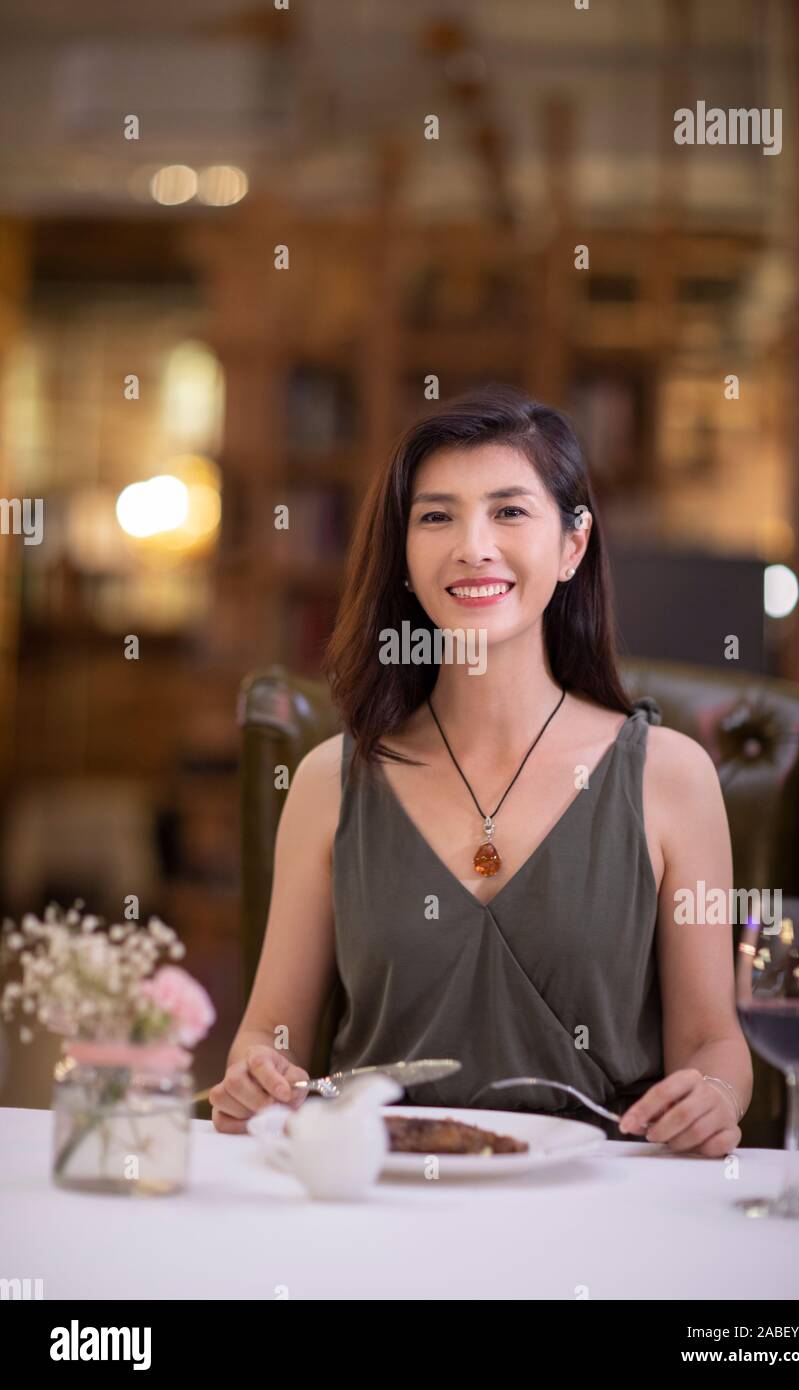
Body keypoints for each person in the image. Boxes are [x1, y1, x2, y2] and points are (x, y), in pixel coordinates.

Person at [212, 384, 752, 1155]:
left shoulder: (670, 777)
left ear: (572, 547)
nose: (473, 546)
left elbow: (713, 1043)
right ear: (404, 554)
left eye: (509, 511)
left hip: (598, 1206)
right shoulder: (331, 781)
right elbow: (269, 1036)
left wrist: (717, 1096)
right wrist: (254, 1074)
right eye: (436, 516)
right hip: (377, 1195)